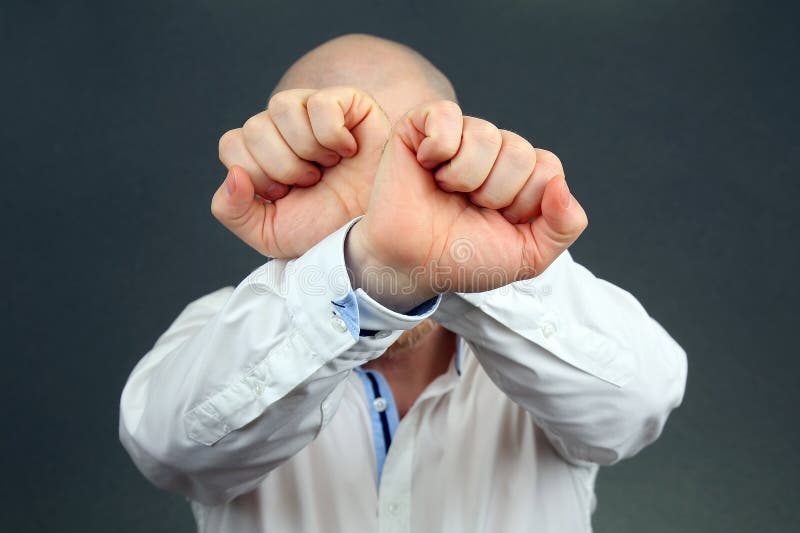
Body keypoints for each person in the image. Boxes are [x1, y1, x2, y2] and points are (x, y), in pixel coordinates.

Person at [119, 34, 687, 533]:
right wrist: (360, 270)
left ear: (464, 157)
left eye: (414, 163)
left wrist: (454, 260)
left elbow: (639, 404)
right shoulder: (218, 333)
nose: (387, 205)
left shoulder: (538, 351)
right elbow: (171, 451)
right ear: (280, 176)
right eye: (338, 166)